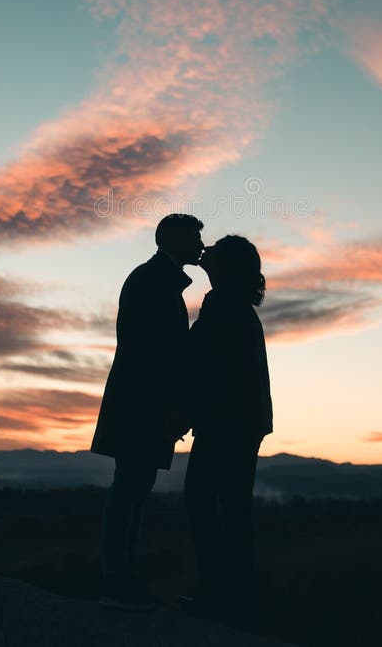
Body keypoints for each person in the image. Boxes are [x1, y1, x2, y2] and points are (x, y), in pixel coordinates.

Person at [90, 213, 204, 610]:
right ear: (172, 239)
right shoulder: (153, 280)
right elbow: (153, 353)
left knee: (134, 489)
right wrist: (171, 407)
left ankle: (121, 579)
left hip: (142, 404)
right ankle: (115, 582)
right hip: (143, 406)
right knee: (129, 489)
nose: (200, 245)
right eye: (194, 238)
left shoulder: (158, 280)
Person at [183, 235, 273, 624]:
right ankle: (236, 598)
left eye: (216, 250)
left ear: (227, 266)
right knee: (231, 508)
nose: (208, 251)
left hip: (226, 422)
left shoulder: (223, 304)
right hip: (240, 421)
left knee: (204, 502)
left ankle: (220, 597)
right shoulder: (234, 304)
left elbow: (197, 358)